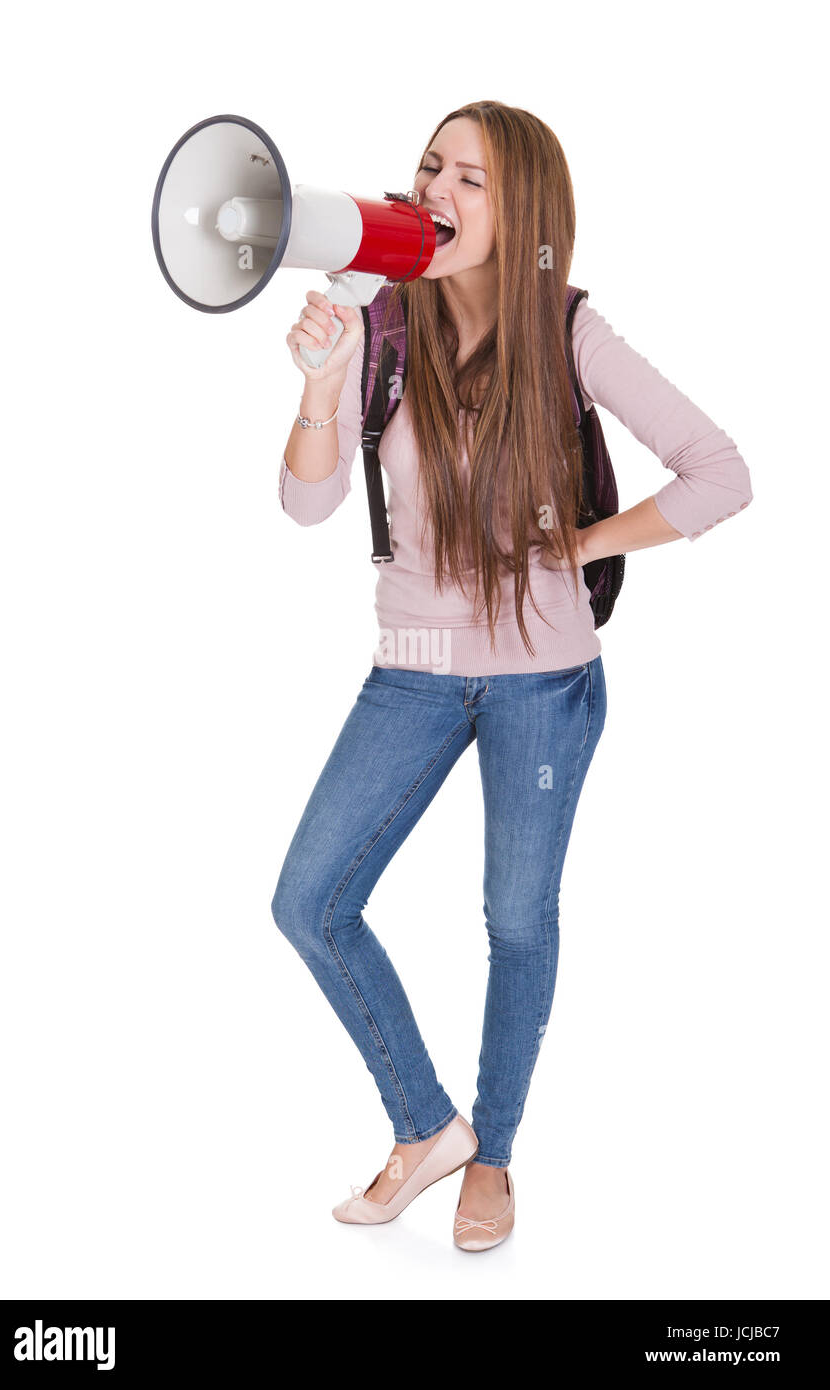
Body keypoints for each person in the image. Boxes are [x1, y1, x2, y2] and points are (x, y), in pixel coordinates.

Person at [271, 100, 752, 1252]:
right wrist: (317, 384)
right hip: (411, 673)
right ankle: (423, 1124)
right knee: (308, 901)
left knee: (515, 919)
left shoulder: (570, 331)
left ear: (523, 208)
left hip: (543, 683)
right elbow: (306, 503)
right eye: (428, 166)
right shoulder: (379, 325)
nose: (434, 189)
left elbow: (719, 474)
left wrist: (581, 544)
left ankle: (491, 1156)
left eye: (469, 179)